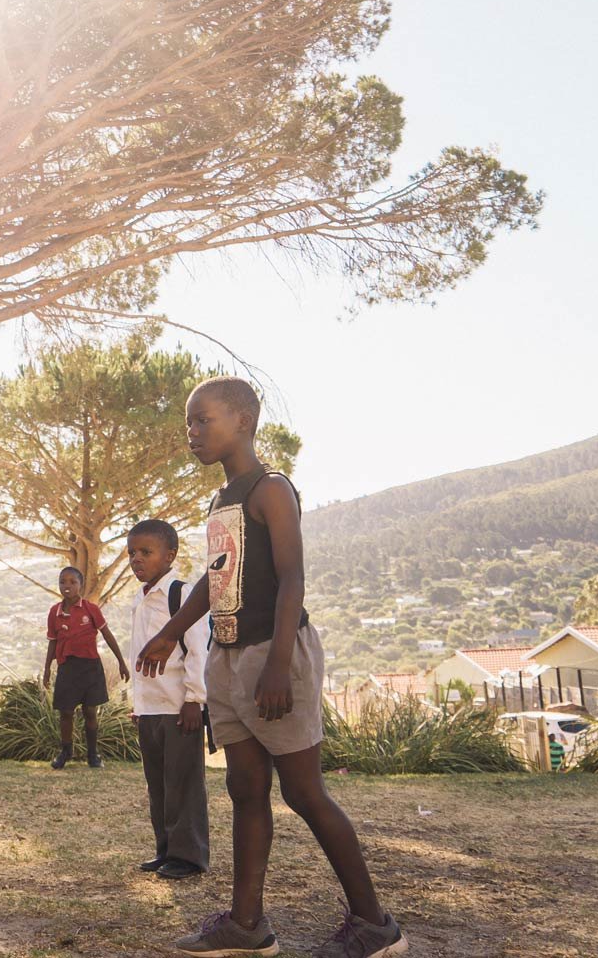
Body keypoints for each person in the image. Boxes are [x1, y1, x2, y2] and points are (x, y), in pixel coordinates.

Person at [137, 377, 406, 958]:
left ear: (243, 421)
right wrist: (168, 634)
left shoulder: (271, 489)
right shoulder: (220, 501)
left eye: (203, 420)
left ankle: (375, 925)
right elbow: (216, 581)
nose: (192, 432)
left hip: (273, 655)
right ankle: (246, 925)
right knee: (245, 787)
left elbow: (292, 579)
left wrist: (280, 665)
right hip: (227, 658)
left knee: (305, 793)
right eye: (189, 423)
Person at [125, 518, 210, 881]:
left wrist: (196, 700)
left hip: (179, 708)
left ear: (170, 555)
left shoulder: (181, 593)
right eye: (132, 553)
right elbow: (137, 657)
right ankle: (165, 850)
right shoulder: (141, 600)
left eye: (146, 552)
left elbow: (198, 650)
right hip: (150, 709)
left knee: (183, 784)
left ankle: (189, 856)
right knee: (158, 785)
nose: (137, 559)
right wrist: (138, 703)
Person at [41, 565, 129, 769]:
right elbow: (52, 641)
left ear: (80, 585)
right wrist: (47, 668)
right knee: (65, 712)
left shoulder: (91, 609)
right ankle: (65, 752)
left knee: (90, 711)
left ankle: (92, 755)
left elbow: (107, 635)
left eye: (73, 582)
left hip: (90, 667)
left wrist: (121, 662)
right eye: (63, 581)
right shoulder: (54, 612)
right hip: (67, 667)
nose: (67, 586)